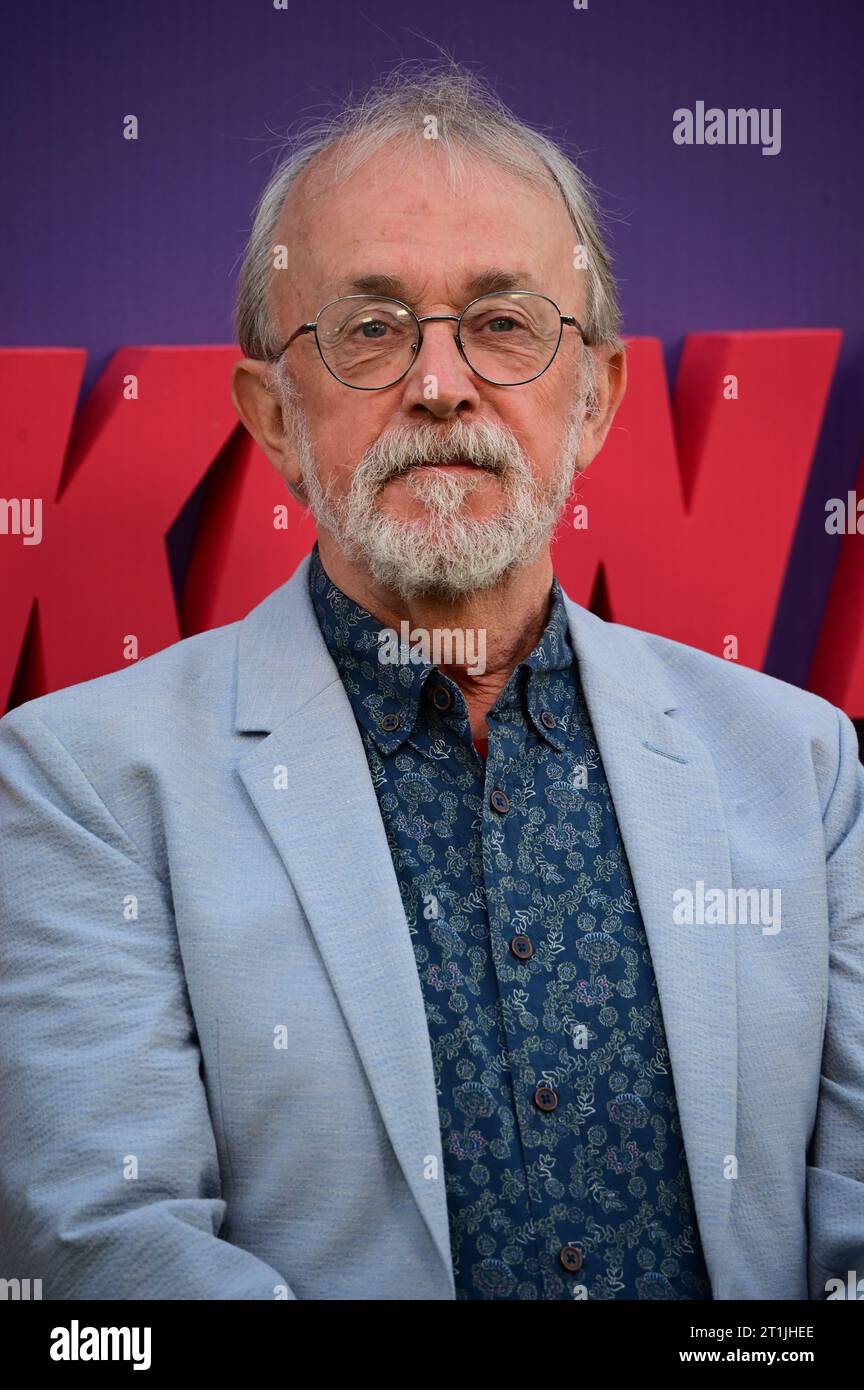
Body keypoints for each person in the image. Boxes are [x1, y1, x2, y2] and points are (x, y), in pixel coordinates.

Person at [0, 63, 861, 1301]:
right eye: (369, 329)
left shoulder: (806, 767)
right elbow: (104, 1252)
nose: (442, 383)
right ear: (272, 414)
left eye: (505, 322)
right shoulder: (83, 782)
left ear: (599, 396)